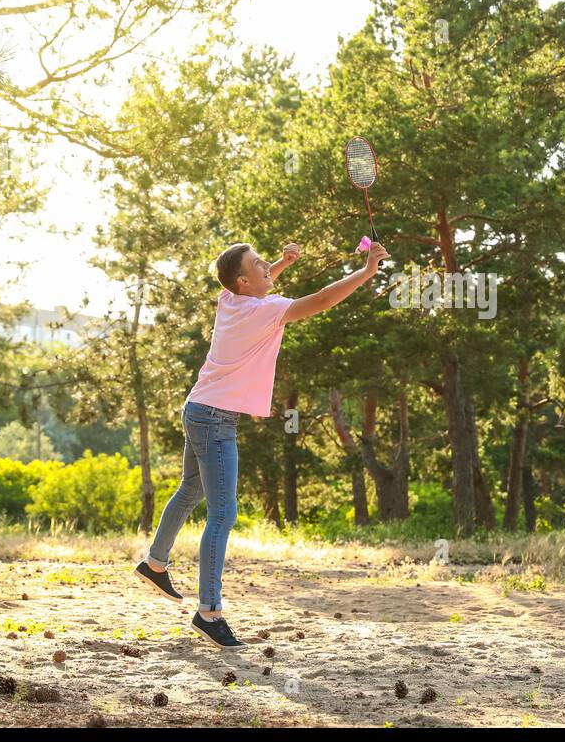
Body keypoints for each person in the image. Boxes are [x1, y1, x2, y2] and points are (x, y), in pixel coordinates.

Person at [134, 239, 390, 650]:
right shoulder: (264, 309)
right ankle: (209, 613)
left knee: (190, 490)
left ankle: (155, 563)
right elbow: (323, 299)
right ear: (242, 279)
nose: (266, 267)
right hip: (215, 419)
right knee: (222, 515)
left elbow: (255, 283)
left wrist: (281, 264)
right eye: (260, 264)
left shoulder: (229, 300)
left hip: (198, 408)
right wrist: (365, 272)